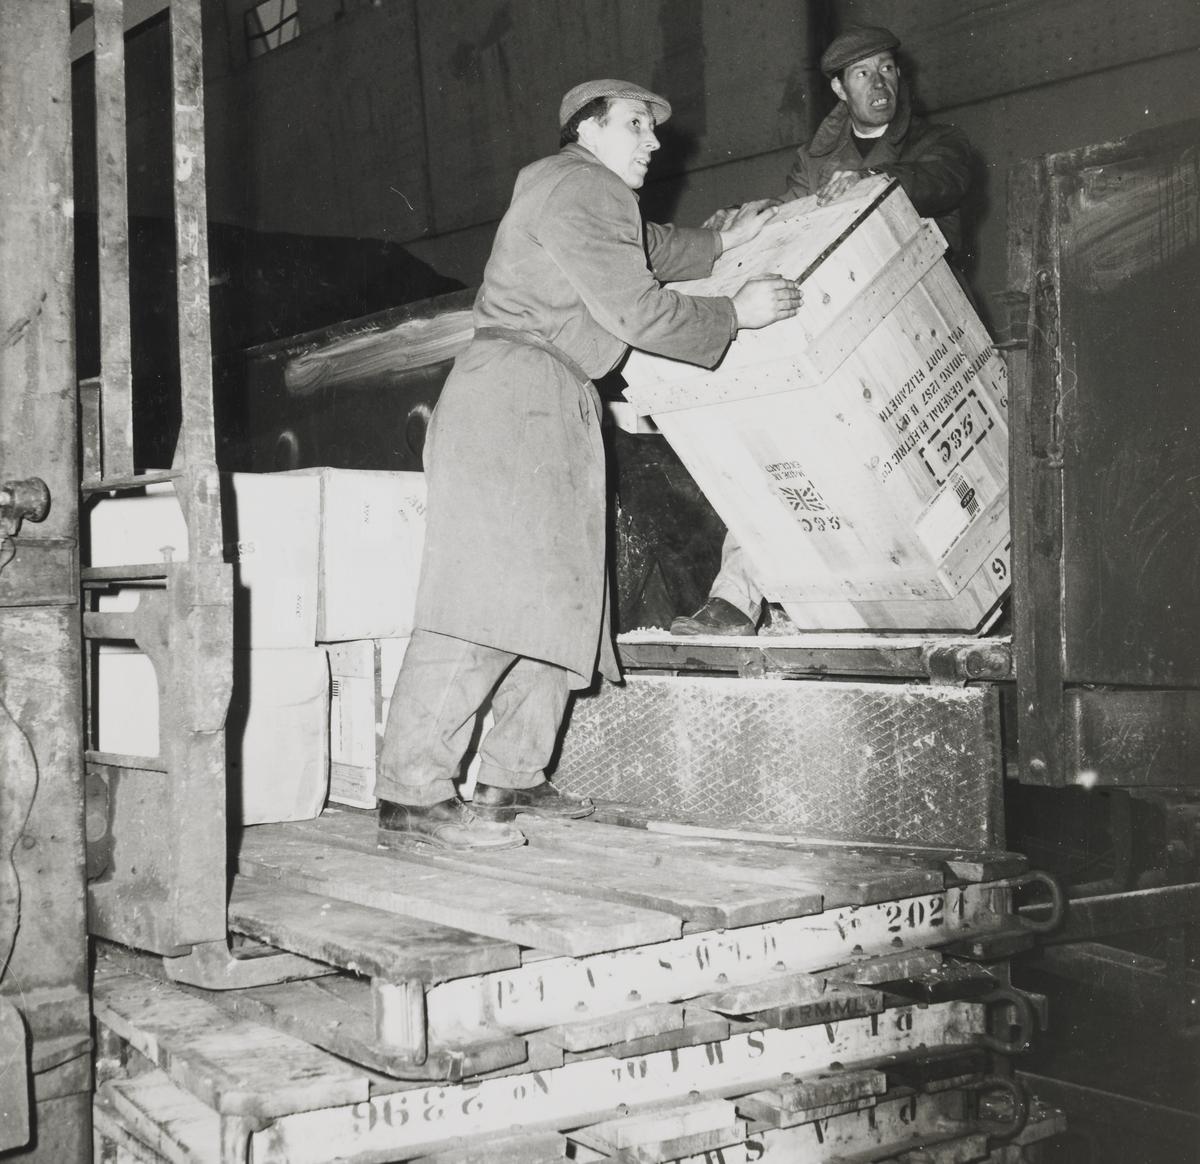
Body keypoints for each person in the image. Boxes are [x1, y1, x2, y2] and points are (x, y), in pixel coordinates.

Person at [376, 79, 804, 849]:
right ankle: (411, 792)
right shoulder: (577, 187)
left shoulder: (590, 199)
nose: (654, 141)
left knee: (559, 599)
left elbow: (650, 250)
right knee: (485, 596)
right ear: (587, 130)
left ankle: (514, 778)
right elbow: (636, 309)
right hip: (515, 401)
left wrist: (724, 240)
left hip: (549, 399)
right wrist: (736, 310)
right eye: (636, 125)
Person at [671, 24, 973, 637]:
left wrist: (880, 181)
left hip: (911, 340)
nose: (880, 83)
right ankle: (735, 600)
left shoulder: (936, 142)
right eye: (863, 74)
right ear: (840, 87)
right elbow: (791, 219)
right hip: (833, 338)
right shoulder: (814, 164)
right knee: (785, 454)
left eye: (887, 68)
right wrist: (736, 225)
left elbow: (946, 180)